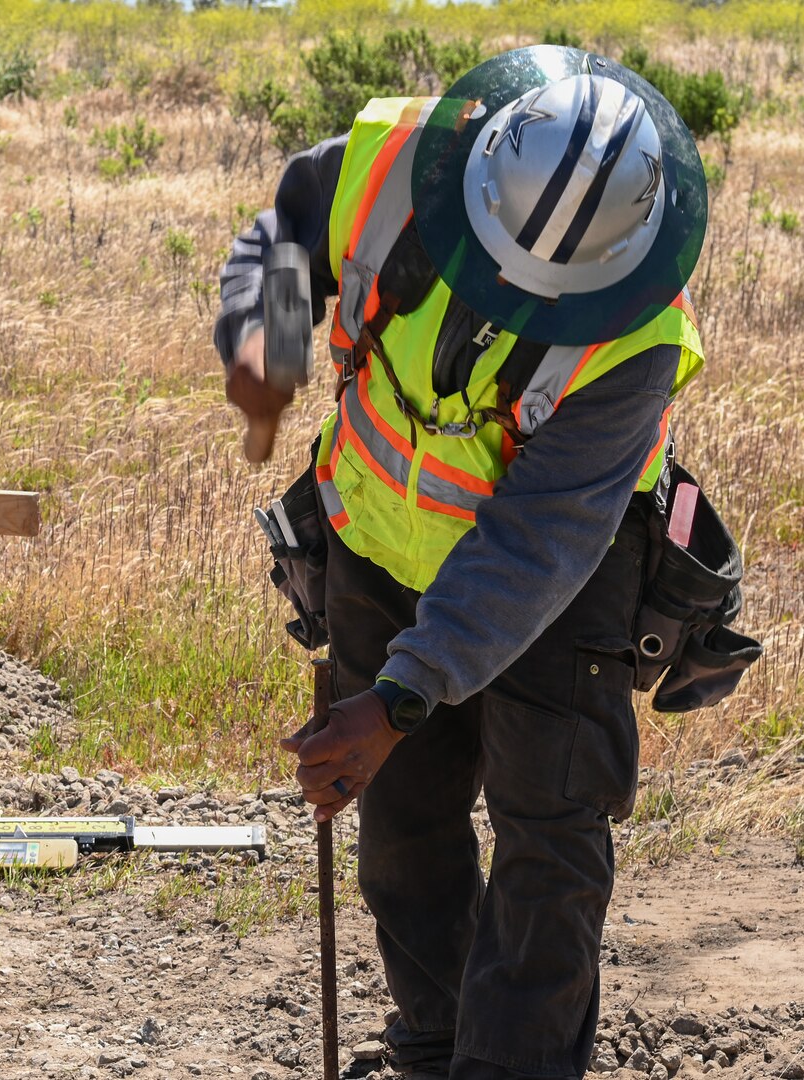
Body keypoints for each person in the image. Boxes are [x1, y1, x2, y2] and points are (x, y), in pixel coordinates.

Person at [217, 48, 713, 1079]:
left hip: (561, 590)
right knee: (403, 833)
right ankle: (438, 1050)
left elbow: (536, 547)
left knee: (549, 845)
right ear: (475, 177)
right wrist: (267, 336)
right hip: (375, 544)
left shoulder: (638, 342)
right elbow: (281, 238)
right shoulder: (390, 159)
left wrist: (399, 698)